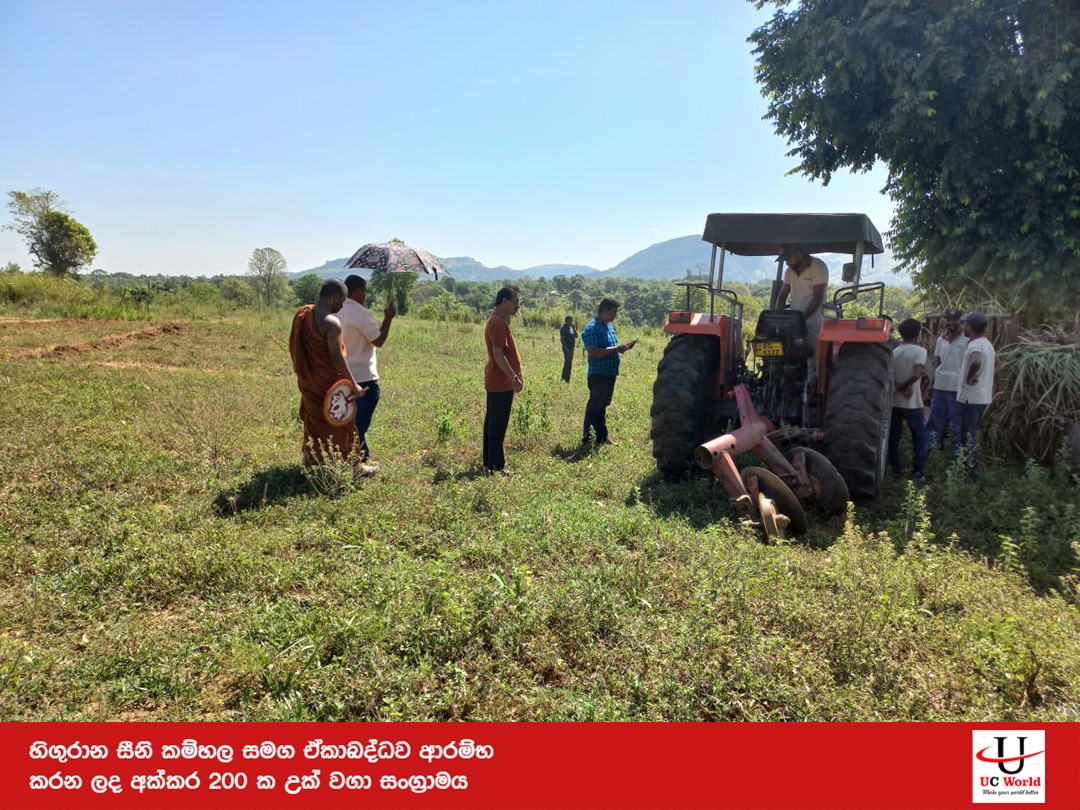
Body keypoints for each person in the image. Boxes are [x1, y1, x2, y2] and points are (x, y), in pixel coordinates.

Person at [288, 279, 374, 473]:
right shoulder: (331, 322)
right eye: (342, 301)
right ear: (335, 297)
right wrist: (353, 384)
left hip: (309, 380)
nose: (343, 305)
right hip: (329, 383)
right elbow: (337, 359)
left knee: (315, 423)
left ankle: (314, 465)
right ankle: (354, 467)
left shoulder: (303, 314)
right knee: (343, 423)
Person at [339, 274, 396, 463]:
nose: (365, 295)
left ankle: (349, 459)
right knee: (358, 426)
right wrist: (388, 318)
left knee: (346, 422)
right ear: (358, 291)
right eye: (364, 290)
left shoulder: (335, 310)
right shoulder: (360, 312)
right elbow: (378, 340)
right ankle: (359, 463)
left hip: (342, 377)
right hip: (364, 379)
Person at [580, 298, 637, 446]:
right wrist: (616, 349)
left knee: (602, 406)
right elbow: (593, 352)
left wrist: (622, 348)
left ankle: (602, 437)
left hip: (609, 373)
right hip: (599, 375)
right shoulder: (591, 329)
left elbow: (611, 348)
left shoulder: (609, 326)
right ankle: (588, 438)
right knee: (594, 407)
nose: (615, 315)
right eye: (613, 312)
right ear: (604, 310)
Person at [483, 285, 523, 475]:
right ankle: (496, 466)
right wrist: (513, 377)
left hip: (497, 380)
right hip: (500, 382)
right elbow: (499, 355)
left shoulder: (496, 319)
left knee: (493, 422)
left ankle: (489, 462)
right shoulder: (498, 323)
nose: (517, 306)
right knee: (497, 424)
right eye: (515, 302)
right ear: (504, 301)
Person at [888, 318, 929, 486]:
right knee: (918, 437)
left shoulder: (894, 351)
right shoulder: (920, 351)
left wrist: (898, 386)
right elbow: (918, 373)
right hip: (912, 403)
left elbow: (889, 374)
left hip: (894, 402)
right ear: (918, 333)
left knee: (894, 436)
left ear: (900, 333)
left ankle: (894, 469)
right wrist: (906, 386)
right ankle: (918, 472)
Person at [957, 312, 996, 479]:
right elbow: (998, 364)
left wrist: (970, 377)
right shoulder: (987, 344)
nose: (962, 328)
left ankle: (970, 474)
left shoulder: (975, 346)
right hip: (982, 397)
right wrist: (984, 378)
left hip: (970, 398)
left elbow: (976, 361)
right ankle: (970, 471)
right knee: (971, 432)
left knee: (968, 435)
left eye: (965, 325)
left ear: (970, 327)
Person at [925, 309, 968, 454]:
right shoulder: (940, 340)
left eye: (954, 320)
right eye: (948, 320)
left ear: (961, 322)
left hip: (957, 388)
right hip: (940, 387)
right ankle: (931, 450)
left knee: (957, 423)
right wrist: (932, 384)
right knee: (935, 421)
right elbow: (938, 362)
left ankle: (959, 455)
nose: (950, 323)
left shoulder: (967, 340)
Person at [775, 246, 829, 349]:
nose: (786, 263)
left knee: (814, 358)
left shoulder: (817, 267)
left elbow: (818, 298)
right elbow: (782, 296)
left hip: (813, 323)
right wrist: (778, 318)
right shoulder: (789, 272)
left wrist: (801, 319)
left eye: (788, 258)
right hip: (795, 323)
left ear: (799, 254)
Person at [559, 315, 577, 383]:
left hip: (571, 348)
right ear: (566, 321)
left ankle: (567, 379)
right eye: (570, 321)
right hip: (567, 348)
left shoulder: (571, 328)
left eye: (572, 321)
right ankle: (564, 378)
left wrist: (574, 328)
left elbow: (576, 336)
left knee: (569, 363)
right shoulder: (564, 328)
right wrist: (567, 350)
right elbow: (562, 340)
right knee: (567, 363)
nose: (571, 322)